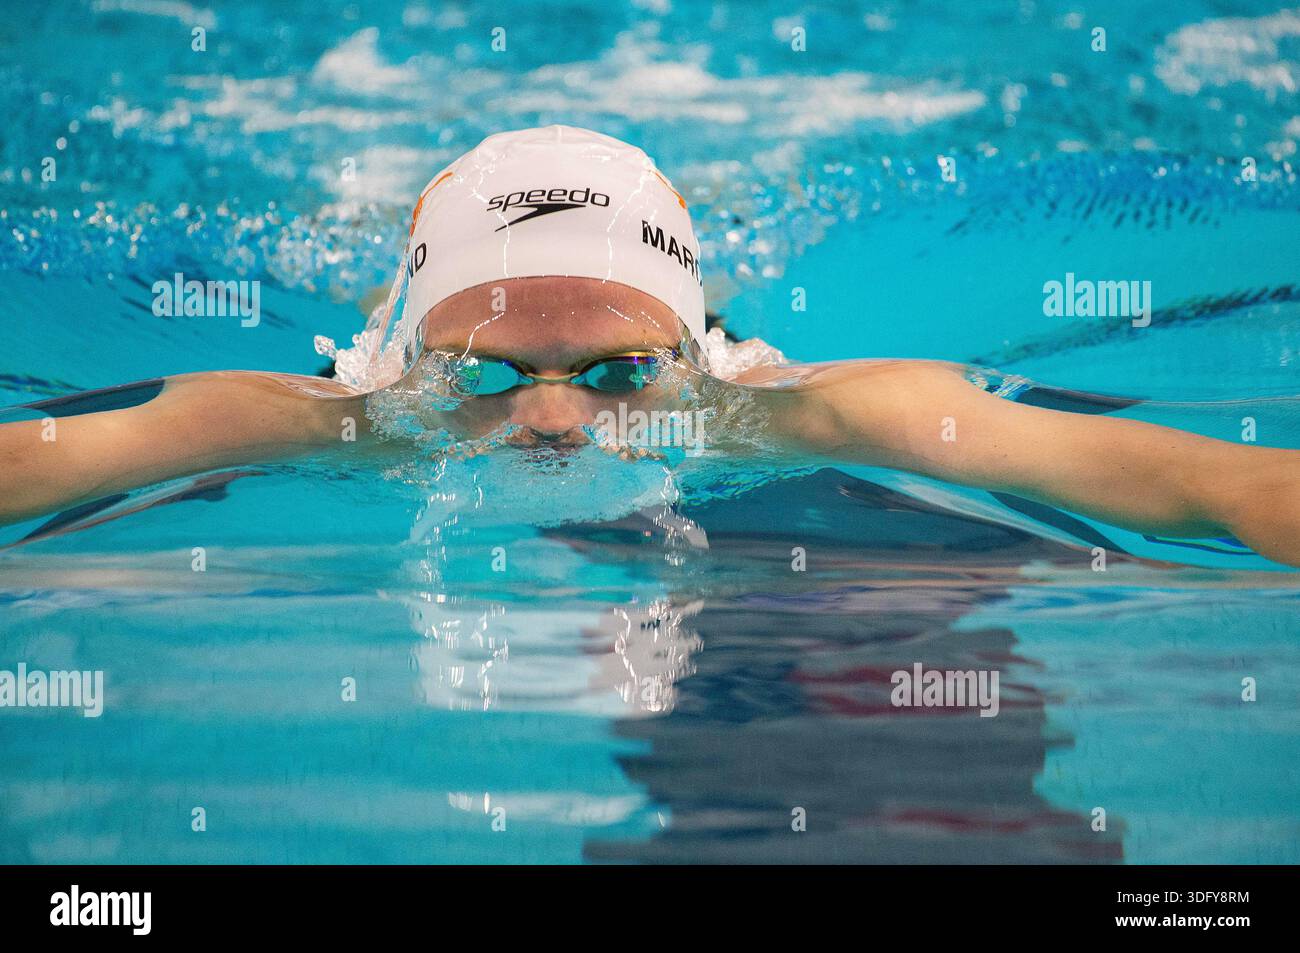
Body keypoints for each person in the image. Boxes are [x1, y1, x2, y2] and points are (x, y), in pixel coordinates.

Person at [1, 126, 1297, 565]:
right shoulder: (319, 415)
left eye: (620, 373)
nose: (555, 426)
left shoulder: (807, 412)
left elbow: (1215, 486)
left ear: (689, 355)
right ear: (408, 355)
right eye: (488, 377)